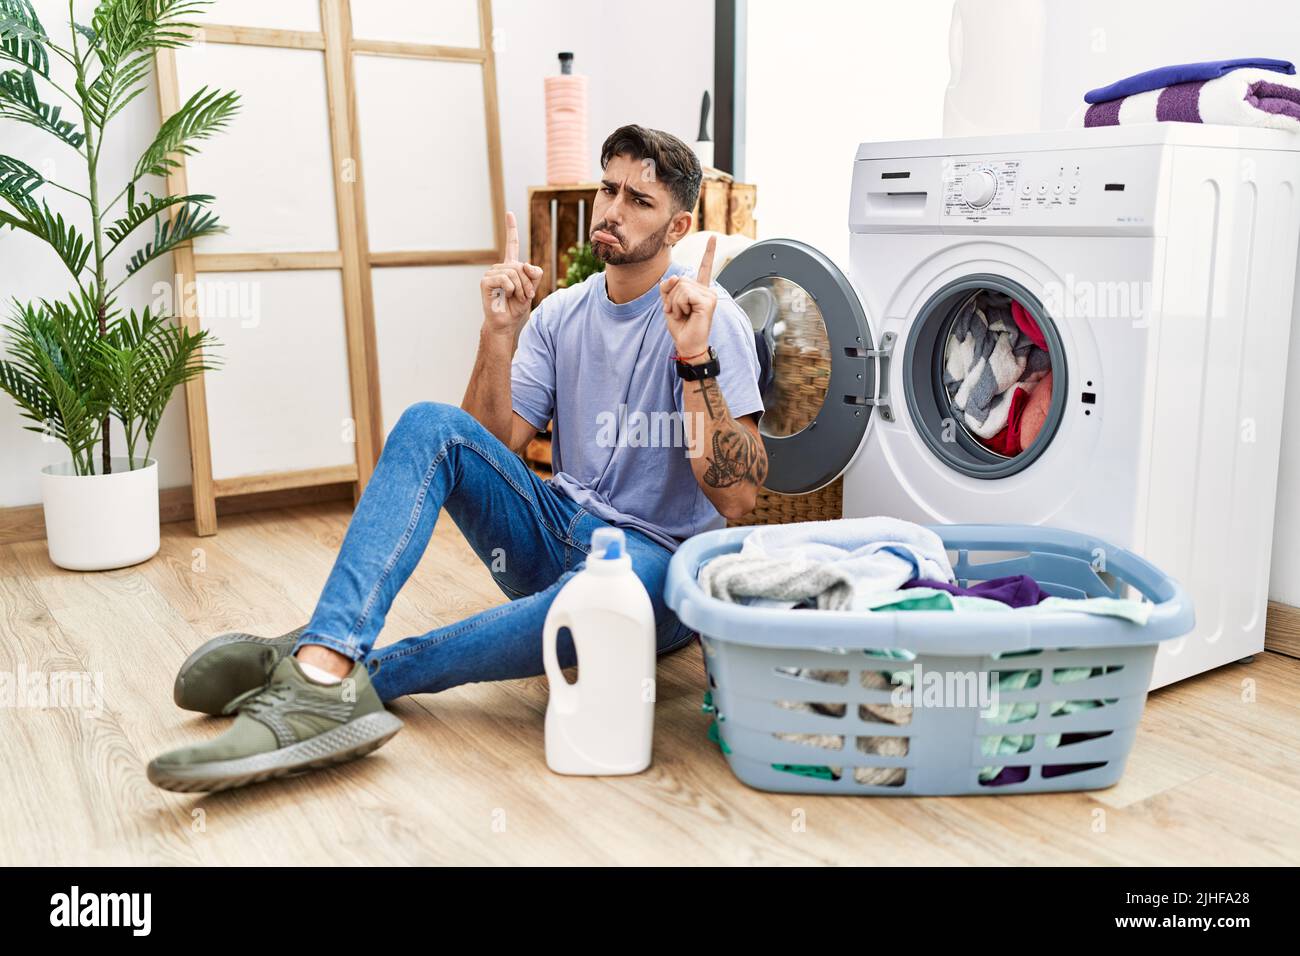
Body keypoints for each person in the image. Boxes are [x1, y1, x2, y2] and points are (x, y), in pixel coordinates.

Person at [147, 124, 767, 792]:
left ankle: (325, 670)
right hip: (556, 528)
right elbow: (481, 452)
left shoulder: (711, 316)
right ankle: (327, 661)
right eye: (607, 188)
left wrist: (693, 357)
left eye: (638, 200)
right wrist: (498, 335)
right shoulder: (561, 314)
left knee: (585, 606)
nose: (613, 210)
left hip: (651, 571)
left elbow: (736, 501)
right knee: (427, 424)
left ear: (676, 229)